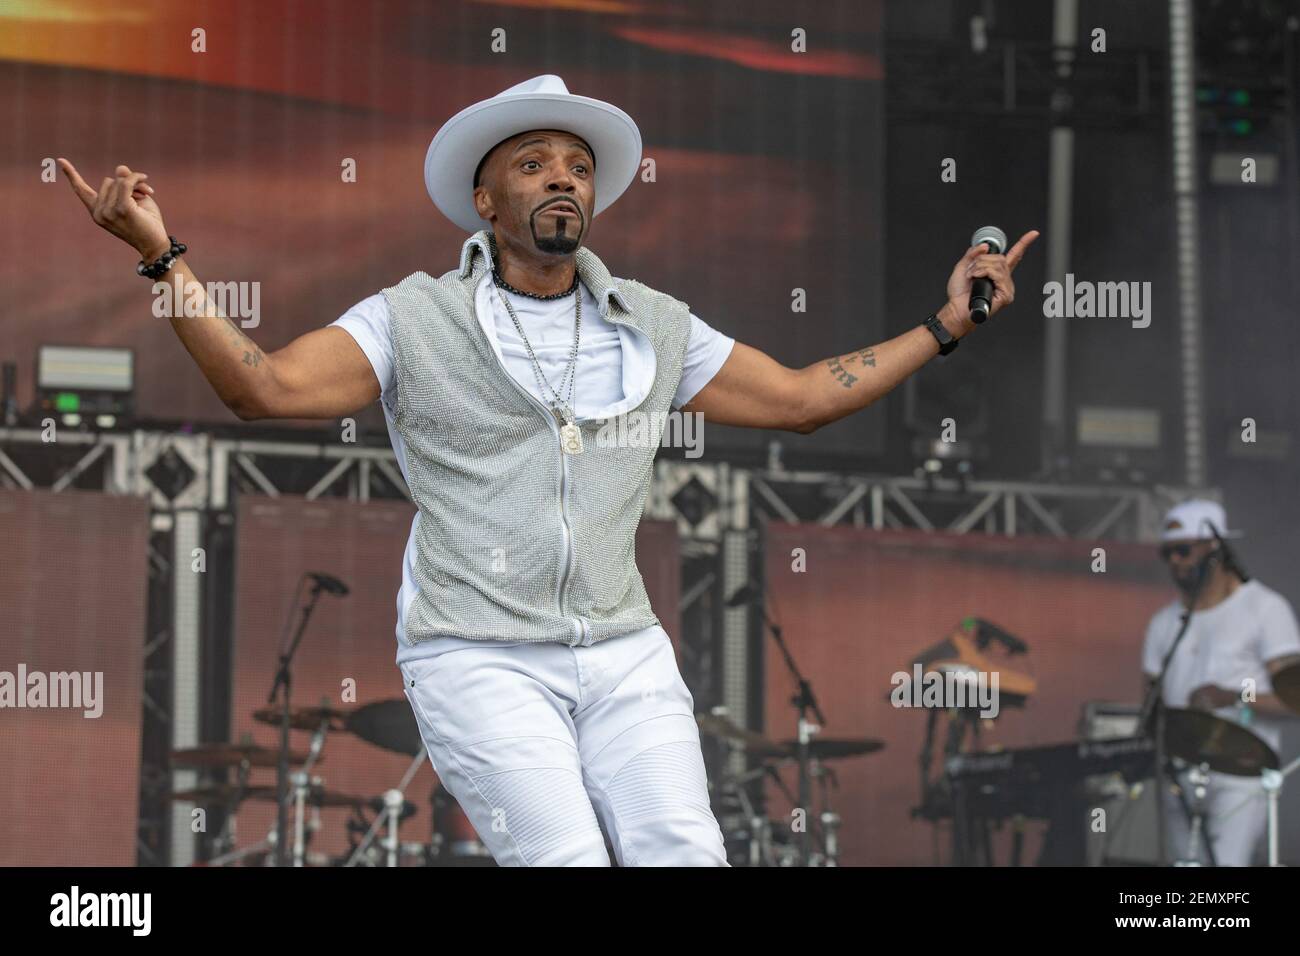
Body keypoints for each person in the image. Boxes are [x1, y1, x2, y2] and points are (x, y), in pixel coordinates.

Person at [58, 74, 1037, 866]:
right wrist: (161, 258)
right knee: (566, 855)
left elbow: (802, 397)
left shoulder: (653, 321)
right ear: (486, 201)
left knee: (686, 852)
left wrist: (949, 323)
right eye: (532, 164)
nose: (562, 178)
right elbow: (262, 389)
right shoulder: (412, 317)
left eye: (576, 165)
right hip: (476, 649)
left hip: (622, 650)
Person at [1142, 499, 1300, 865]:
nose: (1175, 562)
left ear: (1214, 549)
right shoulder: (1164, 623)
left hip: (1241, 772)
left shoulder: (1264, 609)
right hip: (1179, 772)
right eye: (1167, 554)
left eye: (1183, 551)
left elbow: (1294, 698)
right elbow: (1150, 701)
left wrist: (1234, 696)